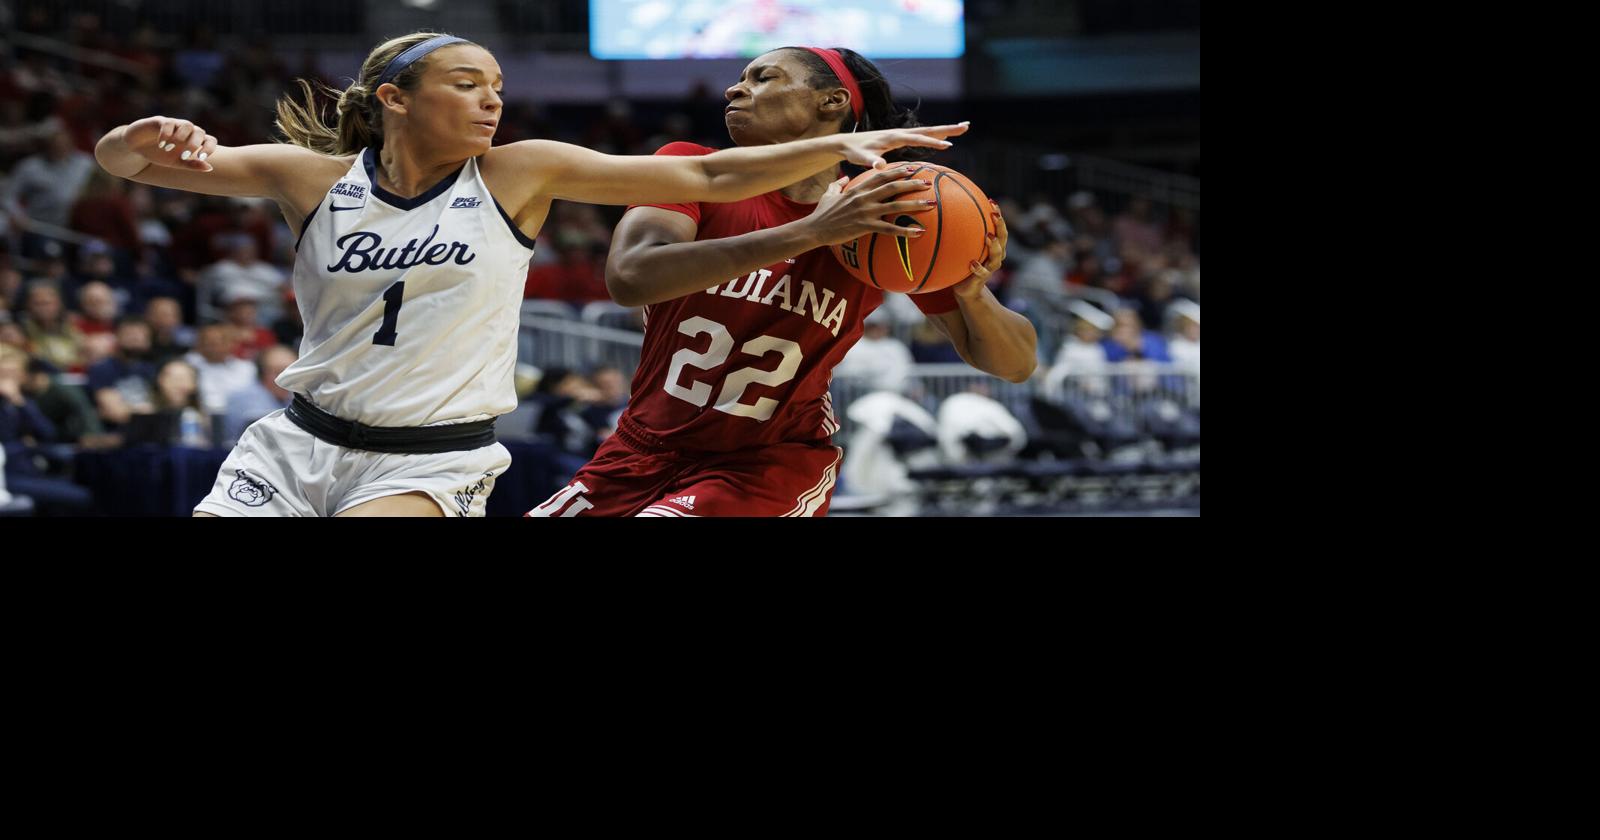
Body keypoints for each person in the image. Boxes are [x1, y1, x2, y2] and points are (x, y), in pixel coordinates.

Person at [93, 31, 967, 517]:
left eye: (498, 85)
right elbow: (131, 167)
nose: (492, 100)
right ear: (394, 98)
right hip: (298, 440)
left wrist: (837, 145)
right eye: (469, 83)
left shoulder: (519, 170)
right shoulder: (311, 177)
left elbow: (703, 176)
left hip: (425, 463)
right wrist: (139, 139)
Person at [526, 46, 1036, 518]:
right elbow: (631, 277)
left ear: (831, 101)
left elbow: (1014, 364)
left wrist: (971, 290)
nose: (733, 89)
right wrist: (812, 233)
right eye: (739, 78)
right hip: (640, 446)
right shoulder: (687, 166)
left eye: (763, 77)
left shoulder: (886, 213)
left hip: (768, 463)